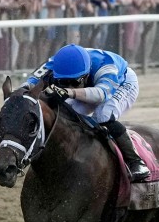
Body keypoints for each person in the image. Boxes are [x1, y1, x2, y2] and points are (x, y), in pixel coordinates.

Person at [29, 43, 150, 182]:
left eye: (74, 81)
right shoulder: (52, 64)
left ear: (86, 74)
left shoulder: (106, 65)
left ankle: (136, 162)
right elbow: (26, 88)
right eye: (63, 82)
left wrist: (69, 92)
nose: (68, 85)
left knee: (103, 115)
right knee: (64, 113)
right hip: (91, 86)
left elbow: (102, 94)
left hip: (122, 83)